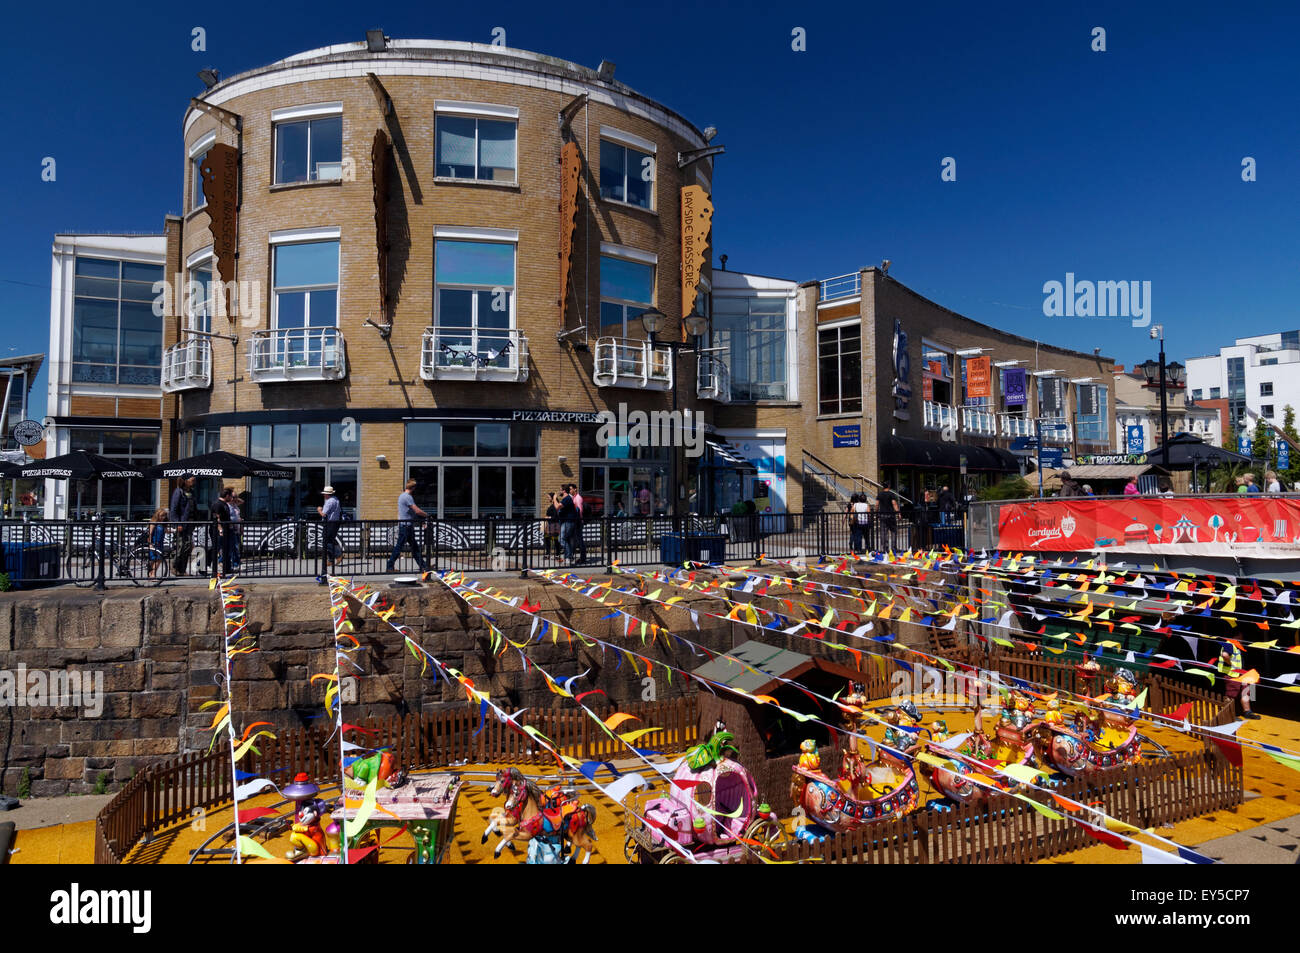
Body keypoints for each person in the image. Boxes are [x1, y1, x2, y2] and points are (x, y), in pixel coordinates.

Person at [386, 480, 429, 574]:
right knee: (399, 547)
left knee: (414, 547)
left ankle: (423, 566)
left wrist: (421, 522)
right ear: (413, 488)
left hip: (406, 526)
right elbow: (416, 510)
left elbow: (412, 513)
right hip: (406, 527)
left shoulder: (403, 496)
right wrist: (427, 515)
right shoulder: (407, 497)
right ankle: (389, 566)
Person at [1217, 642, 1260, 720]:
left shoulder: (1238, 646)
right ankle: (1228, 714)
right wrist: (1230, 664)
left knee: (1246, 692)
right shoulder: (1229, 644)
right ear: (1238, 635)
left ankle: (1247, 712)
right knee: (1231, 695)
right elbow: (1224, 655)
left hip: (1242, 674)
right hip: (1232, 675)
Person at [169, 472, 197, 576]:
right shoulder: (178, 492)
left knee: (187, 547)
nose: (194, 482)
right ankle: (174, 567)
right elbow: (174, 510)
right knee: (180, 547)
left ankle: (182, 569)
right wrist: (177, 524)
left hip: (190, 523)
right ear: (186, 481)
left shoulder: (192, 492)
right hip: (182, 523)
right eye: (192, 480)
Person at [317, 486, 343, 582]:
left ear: (327, 494)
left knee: (326, 541)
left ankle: (337, 554)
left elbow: (324, 514)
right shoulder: (336, 499)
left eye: (324, 493)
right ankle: (331, 559)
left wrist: (319, 510)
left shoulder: (329, 502)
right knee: (330, 539)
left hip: (330, 523)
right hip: (335, 522)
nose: (323, 495)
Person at [210, 486, 236, 576]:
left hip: (227, 530)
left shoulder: (225, 504)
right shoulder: (218, 504)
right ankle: (201, 566)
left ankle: (227, 568)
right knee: (215, 549)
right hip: (219, 531)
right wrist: (220, 530)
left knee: (227, 550)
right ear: (227, 495)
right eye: (231, 496)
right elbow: (217, 518)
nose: (232, 498)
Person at [557, 486, 580, 563]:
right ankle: (568, 557)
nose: (558, 492)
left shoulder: (567, 499)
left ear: (564, 491)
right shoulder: (566, 499)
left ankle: (569, 555)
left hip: (568, 522)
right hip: (566, 522)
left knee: (561, 539)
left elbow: (557, 507)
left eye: (560, 490)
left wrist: (554, 498)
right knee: (566, 539)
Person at [146, 507, 168, 579]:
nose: (163, 517)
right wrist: (150, 544)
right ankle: (151, 573)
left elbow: (166, 531)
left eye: (164, 516)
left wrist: (175, 530)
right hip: (154, 543)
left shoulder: (163, 524)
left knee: (159, 559)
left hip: (160, 544)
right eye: (162, 516)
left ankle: (152, 573)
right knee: (153, 559)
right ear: (157, 515)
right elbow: (150, 533)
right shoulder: (153, 523)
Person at [876, 482, 899, 551]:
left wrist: (876, 512)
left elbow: (877, 504)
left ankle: (885, 548)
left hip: (883, 515)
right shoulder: (891, 494)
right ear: (889, 486)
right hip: (891, 515)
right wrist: (898, 513)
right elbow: (894, 504)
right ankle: (893, 547)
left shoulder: (880, 494)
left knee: (883, 532)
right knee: (893, 531)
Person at [541, 492, 561, 561]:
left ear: (552, 498)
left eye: (549, 497)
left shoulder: (555, 505)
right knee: (547, 540)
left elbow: (556, 516)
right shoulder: (552, 505)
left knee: (555, 540)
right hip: (549, 525)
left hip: (554, 525)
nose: (548, 498)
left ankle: (557, 555)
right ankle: (548, 554)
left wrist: (548, 517)